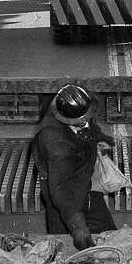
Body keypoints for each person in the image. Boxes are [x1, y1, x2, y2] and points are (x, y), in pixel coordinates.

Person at [30, 84, 116, 250]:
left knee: (108, 235)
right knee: (65, 244)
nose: (86, 122)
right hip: (62, 189)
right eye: (81, 121)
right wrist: (77, 226)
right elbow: (61, 190)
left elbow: (87, 124)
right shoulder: (57, 145)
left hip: (85, 182)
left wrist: (99, 137)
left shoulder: (69, 105)